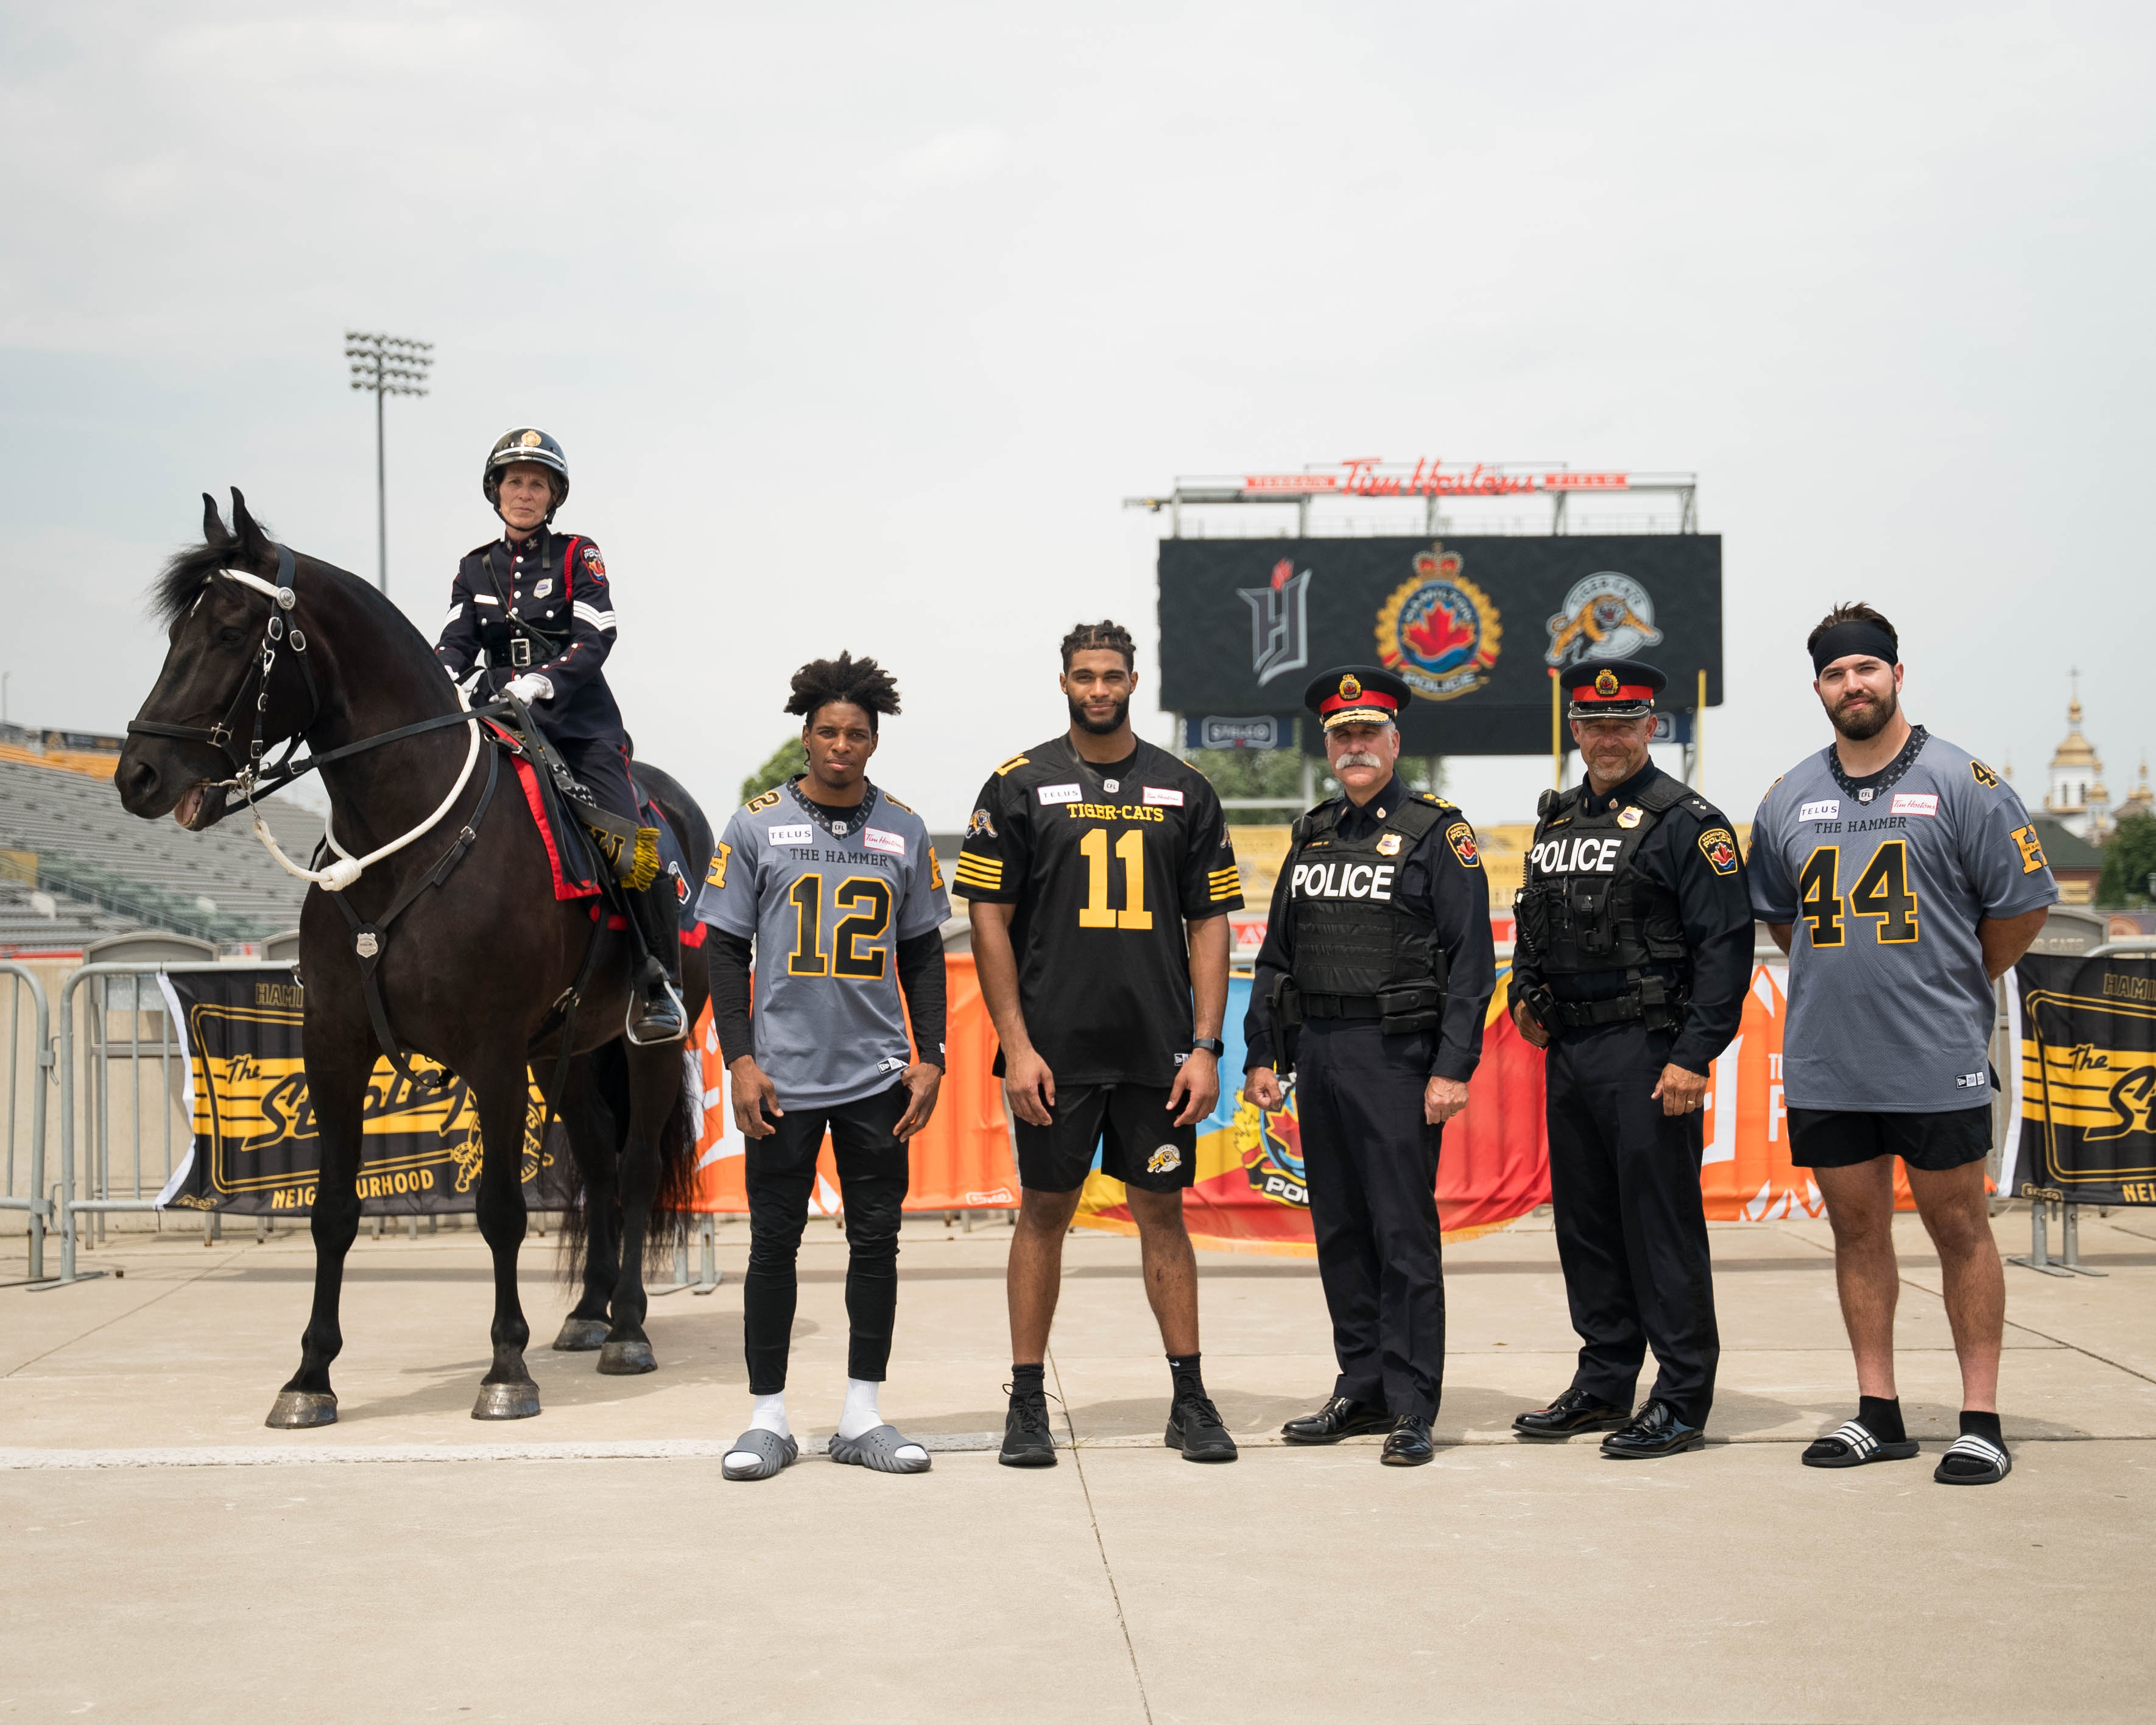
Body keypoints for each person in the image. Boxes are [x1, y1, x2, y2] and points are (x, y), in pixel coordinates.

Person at [1749, 604, 2054, 1486]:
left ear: (1897, 675)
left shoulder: (1966, 782)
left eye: (1867, 670)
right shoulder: (1787, 795)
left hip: (1936, 1052)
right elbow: (1779, 917)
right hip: (1828, 1055)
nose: (1854, 686)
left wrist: (1954, 982)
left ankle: (1981, 1416)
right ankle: (1877, 1410)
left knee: (1960, 1228)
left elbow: (2023, 908)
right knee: (1856, 1230)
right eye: (1837, 675)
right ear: (1819, 689)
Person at [959, 620, 1244, 1467]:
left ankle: (1190, 1399)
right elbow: (988, 919)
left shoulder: (1185, 786)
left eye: (1111, 675)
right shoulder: (1018, 784)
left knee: (1164, 1214)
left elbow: (1210, 924)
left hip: (1157, 1054)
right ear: (1063, 683)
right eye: (1084, 675)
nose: (1098, 688)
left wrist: (1204, 1046)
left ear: (1132, 681)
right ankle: (1026, 1402)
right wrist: (1016, 1044)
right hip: (1056, 1049)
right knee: (1044, 1212)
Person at [695, 653, 951, 1481]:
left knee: (876, 1245)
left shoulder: (905, 829)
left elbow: (921, 954)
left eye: (857, 734)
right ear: (806, 735)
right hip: (782, 1074)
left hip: (876, 1074)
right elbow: (725, 950)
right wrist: (738, 1057)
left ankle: (861, 1415)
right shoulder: (756, 824)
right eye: (829, 731)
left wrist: (932, 1057)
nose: (842, 745)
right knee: (774, 1246)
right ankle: (767, 1419)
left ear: (874, 742)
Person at [1244, 667, 1496, 1467]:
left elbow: (1471, 962)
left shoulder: (1437, 833)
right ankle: (1361, 1384)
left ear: (1394, 740)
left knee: (1403, 1232)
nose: (1354, 746)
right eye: (1341, 736)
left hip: (1395, 1058)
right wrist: (1261, 1053)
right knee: (1341, 1230)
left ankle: (1414, 1404)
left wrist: (1452, 1068)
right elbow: (1278, 954)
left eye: (1368, 733)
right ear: (1329, 746)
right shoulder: (1312, 832)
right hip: (1317, 1053)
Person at [1507, 658, 1753, 1459]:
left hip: (1650, 1051)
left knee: (1660, 1229)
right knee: (1587, 1227)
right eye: (1593, 724)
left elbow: (1725, 948)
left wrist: (1693, 1054)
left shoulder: (1688, 821)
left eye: (1625, 722)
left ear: (1654, 727)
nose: (1608, 737)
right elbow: (1534, 924)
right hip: (1572, 1050)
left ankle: (1680, 1396)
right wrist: (1523, 998)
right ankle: (1604, 1380)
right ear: (1574, 730)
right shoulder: (1555, 820)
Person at [433, 427, 683, 1041]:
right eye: (515, 481)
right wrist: (436, 682)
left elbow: (597, 634)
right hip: (498, 721)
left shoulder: (579, 555)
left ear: (553, 496)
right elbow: (455, 645)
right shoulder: (474, 568)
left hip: (578, 727)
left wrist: (543, 683)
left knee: (632, 841)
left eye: (537, 484)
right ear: (496, 490)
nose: (525, 493)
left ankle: (658, 984)